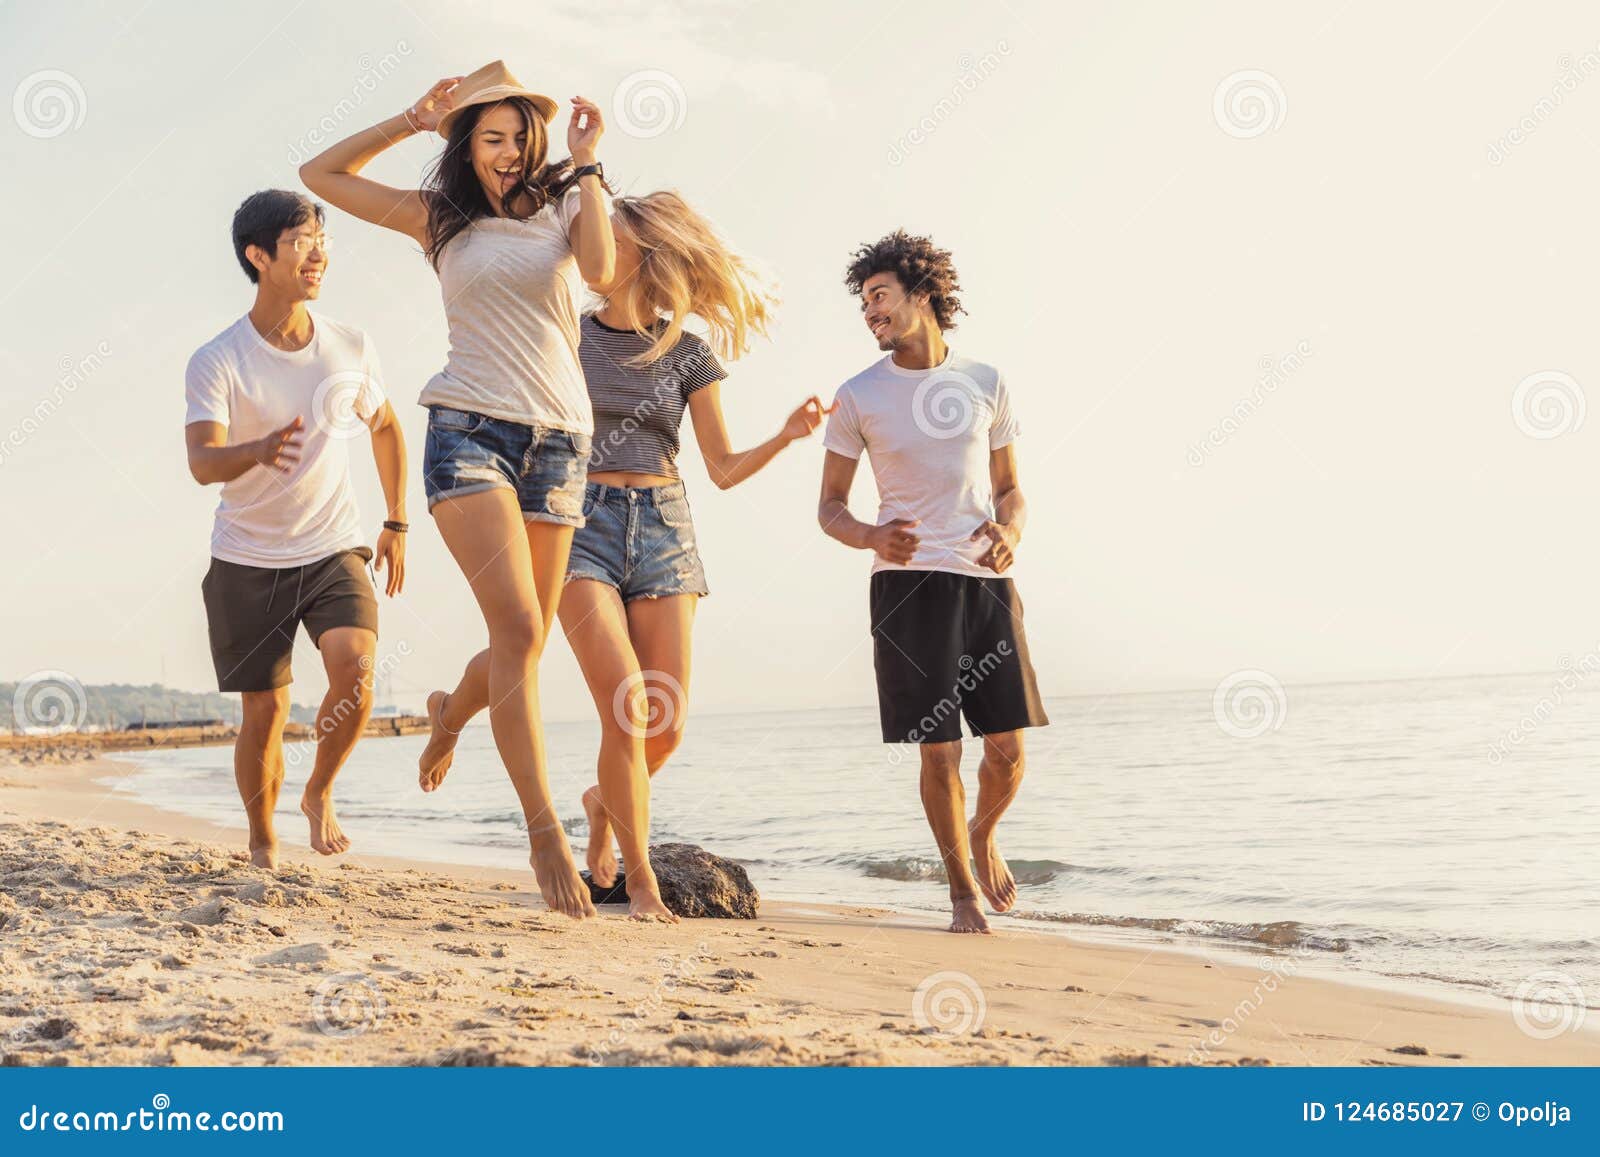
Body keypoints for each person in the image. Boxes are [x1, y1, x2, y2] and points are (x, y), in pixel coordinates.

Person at [415, 190, 830, 921]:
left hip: (667, 527)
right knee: (621, 701)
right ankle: (639, 880)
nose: (591, 240)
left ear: (646, 251)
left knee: (663, 722)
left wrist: (789, 435)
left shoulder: (690, 353)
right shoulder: (565, 337)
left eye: (610, 231)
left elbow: (724, 467)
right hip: (579, 518)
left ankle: (600, 800)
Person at [299, 61, 615, 919]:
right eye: (491, 139)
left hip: (562, 442)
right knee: (515, 627)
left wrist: (586, 162)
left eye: (520, 138)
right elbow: (320, 177)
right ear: (466, 147)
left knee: (528, 643)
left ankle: (448, 714)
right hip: (468, 431)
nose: (509, 154)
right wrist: (409, 117)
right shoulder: (439, 217)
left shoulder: (566, 200)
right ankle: (544, 827)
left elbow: (604, 272)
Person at [817, 230, 1049, 934]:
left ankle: (982, 834)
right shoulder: (859, 395)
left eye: (880, 297)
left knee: (1008, 749)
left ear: (923, 296)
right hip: (907, 588)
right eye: (864, 303)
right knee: (940, 747)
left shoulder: (987, 382)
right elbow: (829, 507)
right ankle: (961, 894)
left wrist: (1011, 532)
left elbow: (1013, 490)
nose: (871, 312)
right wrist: (869, 535)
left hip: (983, 584)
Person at [184, 189, 408, 870]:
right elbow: (201, 462)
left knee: (357, 672)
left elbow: (387, 425)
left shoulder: (348, 344)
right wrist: (253, 451)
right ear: (259, 255)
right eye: (301, 241)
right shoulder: (218, 358)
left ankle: (318, 793)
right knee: (265, 712)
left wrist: (397, 518)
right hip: (249, 556)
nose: (318, 254)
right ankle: (262, 839)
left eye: (323, 240)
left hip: (333, 543)